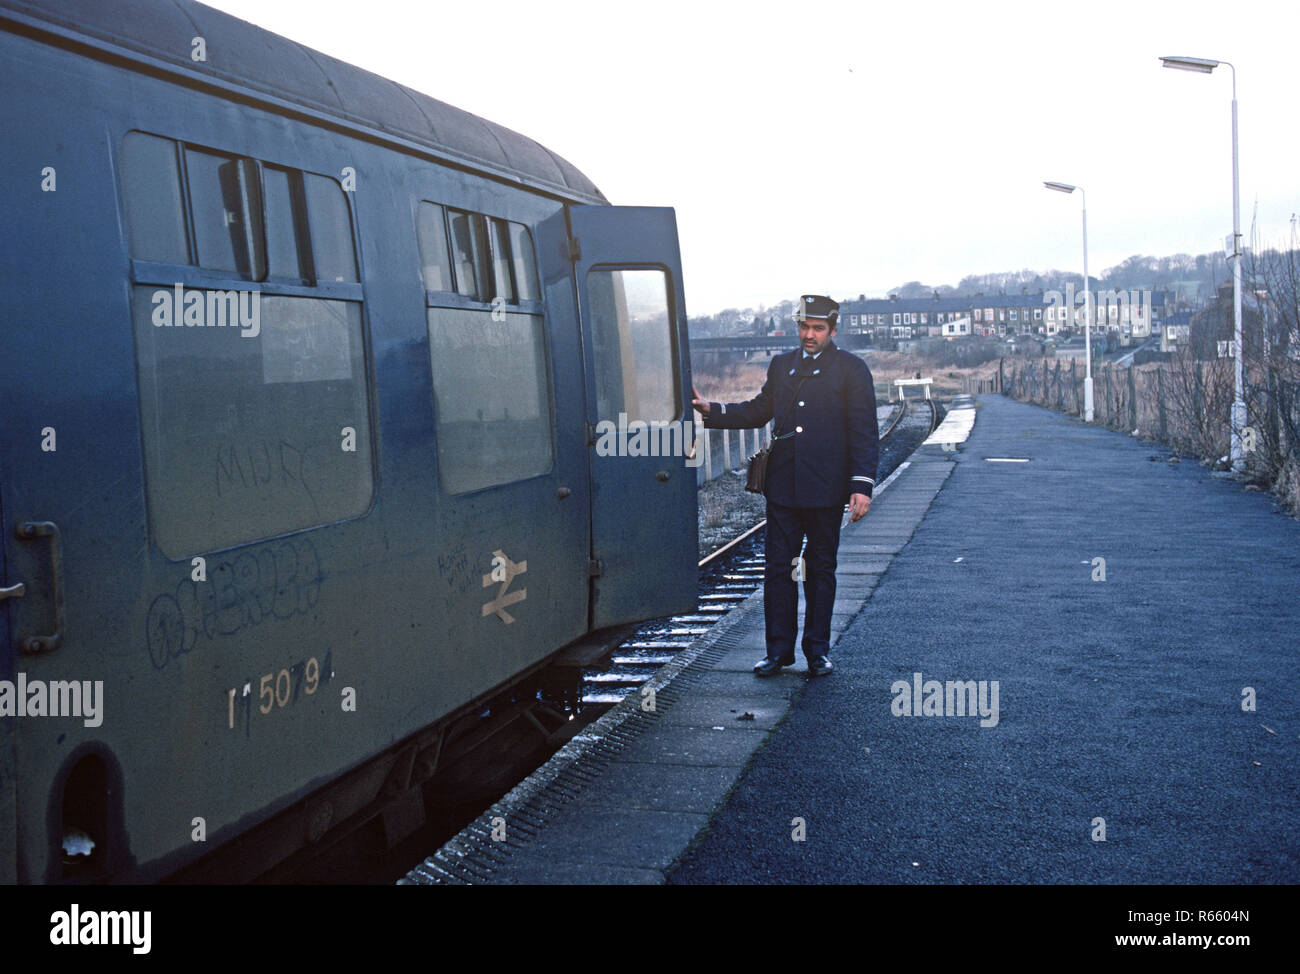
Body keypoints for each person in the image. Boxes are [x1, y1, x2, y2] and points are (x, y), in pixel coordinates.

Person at [692, 295, 878, 677]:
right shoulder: (782, 366)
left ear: (832, 329)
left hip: (827, 490)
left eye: (817, 329)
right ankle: (778, 652)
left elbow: (864, 432)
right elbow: (759, 409)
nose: (809, 335)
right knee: (778, 569)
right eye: (804, 327)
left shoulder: (851, 370)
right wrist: (714, 410)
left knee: (819, 569)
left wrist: (861, 486)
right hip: (784, 489)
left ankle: (817, 652)